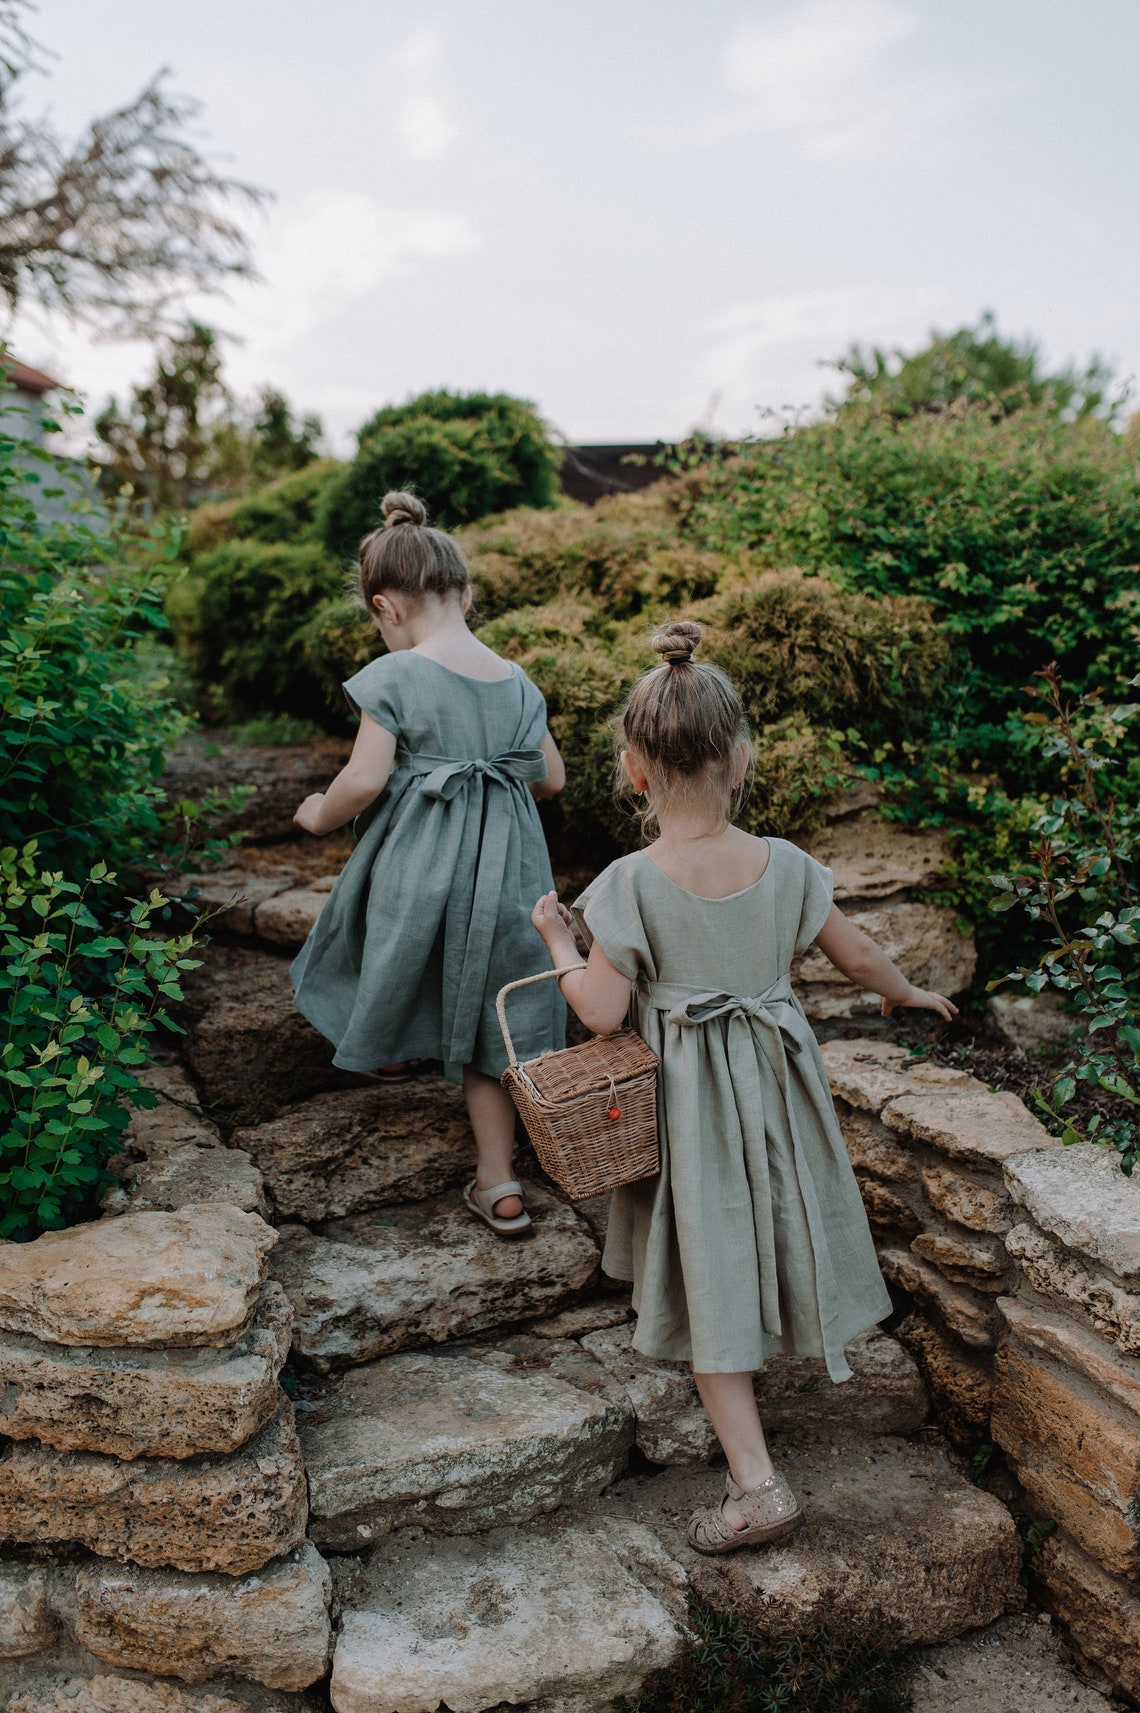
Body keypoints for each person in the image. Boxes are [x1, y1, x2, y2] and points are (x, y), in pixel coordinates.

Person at [530, 620, 957, 1555]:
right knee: (783, 1213)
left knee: (711, 1264)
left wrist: (559, 942)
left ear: (634, 769)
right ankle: (790, 1372)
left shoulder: (627, 884)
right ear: (742, 756)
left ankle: (757, 1483)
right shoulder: (788, 866)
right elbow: (860, 952)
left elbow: (602, 1011)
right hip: (777, 1079)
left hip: (692, 1102)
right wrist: (908, 992)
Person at [291, 490, 567, 1237]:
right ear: (465, 592)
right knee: (491, 1017)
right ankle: (500, 1180)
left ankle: (384, 1046)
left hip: (420, 866)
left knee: (381, 941)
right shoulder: (517, 681)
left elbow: (364, 780)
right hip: (508, 870)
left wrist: (318, 810)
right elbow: (551, 780)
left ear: (384, 605)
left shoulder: (396, 677)